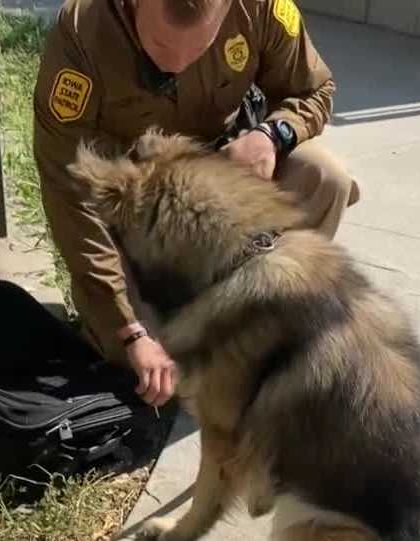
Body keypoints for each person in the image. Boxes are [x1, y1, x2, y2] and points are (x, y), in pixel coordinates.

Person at [32, 0, 359, 408]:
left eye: (199, 51)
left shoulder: (260, 8)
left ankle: (265, 314)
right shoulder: (83, 31)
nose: (176, 68)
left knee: (325, 176)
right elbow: (70, 191)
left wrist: (271, 136)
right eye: (159, 48)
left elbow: (315, 88)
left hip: (221, 192)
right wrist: (128, 329)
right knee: (160, 378)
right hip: (137, 222)